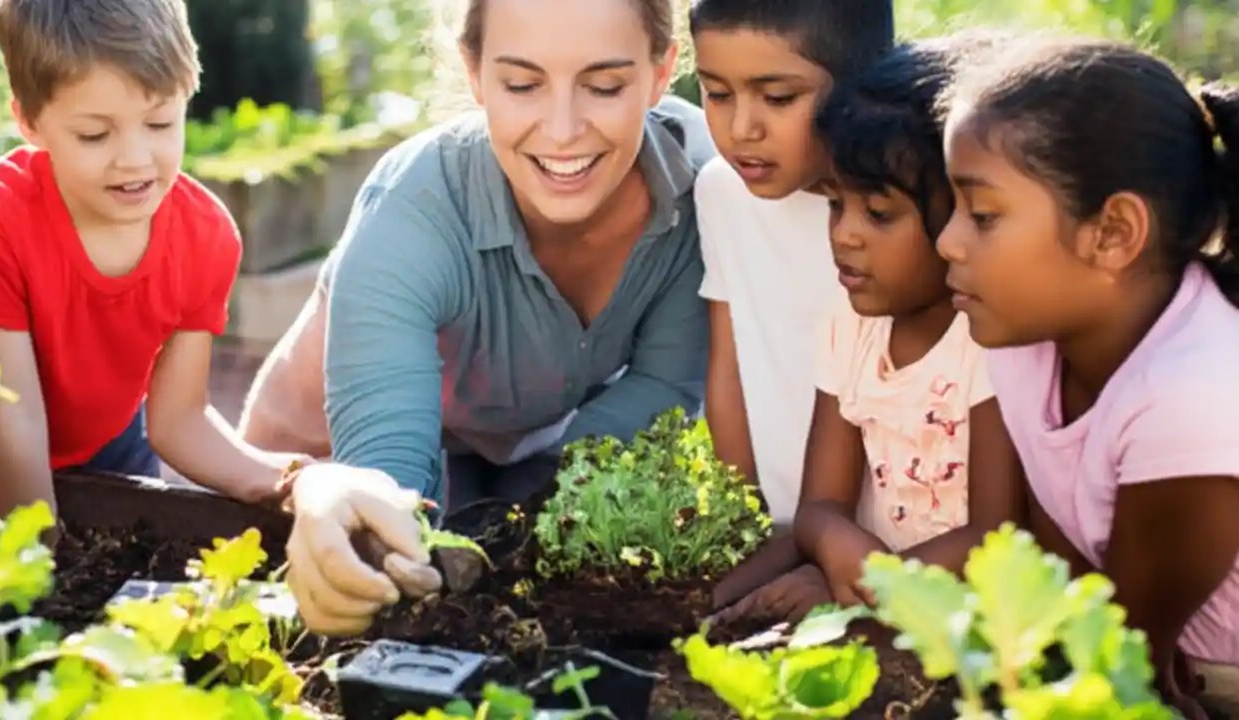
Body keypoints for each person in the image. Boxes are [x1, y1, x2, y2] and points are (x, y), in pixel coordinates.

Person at [272, 0, 716, 632]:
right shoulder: (414, 207)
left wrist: (545, 511)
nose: (563, 130)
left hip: (515, 441)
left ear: (660, 72)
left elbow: (663, 384)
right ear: (475, 73)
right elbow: (382, 473)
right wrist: (380, 540)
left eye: (605, 85)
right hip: (306, 468)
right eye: (522, 84)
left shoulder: (699, 194)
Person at [938, 37, 1239, 718]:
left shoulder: (1194, 395)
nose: (947, 241)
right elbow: (1061, 542)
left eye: (982, 215)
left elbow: (1131, 667)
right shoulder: (1021, 342)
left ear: (1112, 233)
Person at [0, 0, 305, 530]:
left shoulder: (205, 239)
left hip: (111, 445)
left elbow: (178, 421)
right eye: (95, 135)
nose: (135, 159)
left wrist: (293, 483)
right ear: (29, 122)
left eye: (160, 122)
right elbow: (16, 420)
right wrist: (36, 561)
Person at [715, 35, 1026, 623]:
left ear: (962, 216)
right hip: (873, 587)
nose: (844, 235)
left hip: (967, 619)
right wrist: (832, 549)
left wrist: (867, 586)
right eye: (836, 205)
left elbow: (996, 533)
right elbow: (820, 504)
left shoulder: (988, 346)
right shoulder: (849, 331)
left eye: (879, 214)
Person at [688, 0, 897, 614]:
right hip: (783, 532)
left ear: (863, 83)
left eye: (778, 98)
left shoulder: (907, 211)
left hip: (897, 555)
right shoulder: (722, 192)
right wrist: (745, 520)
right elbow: (729, 362)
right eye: (716, 93)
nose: (740, 128)